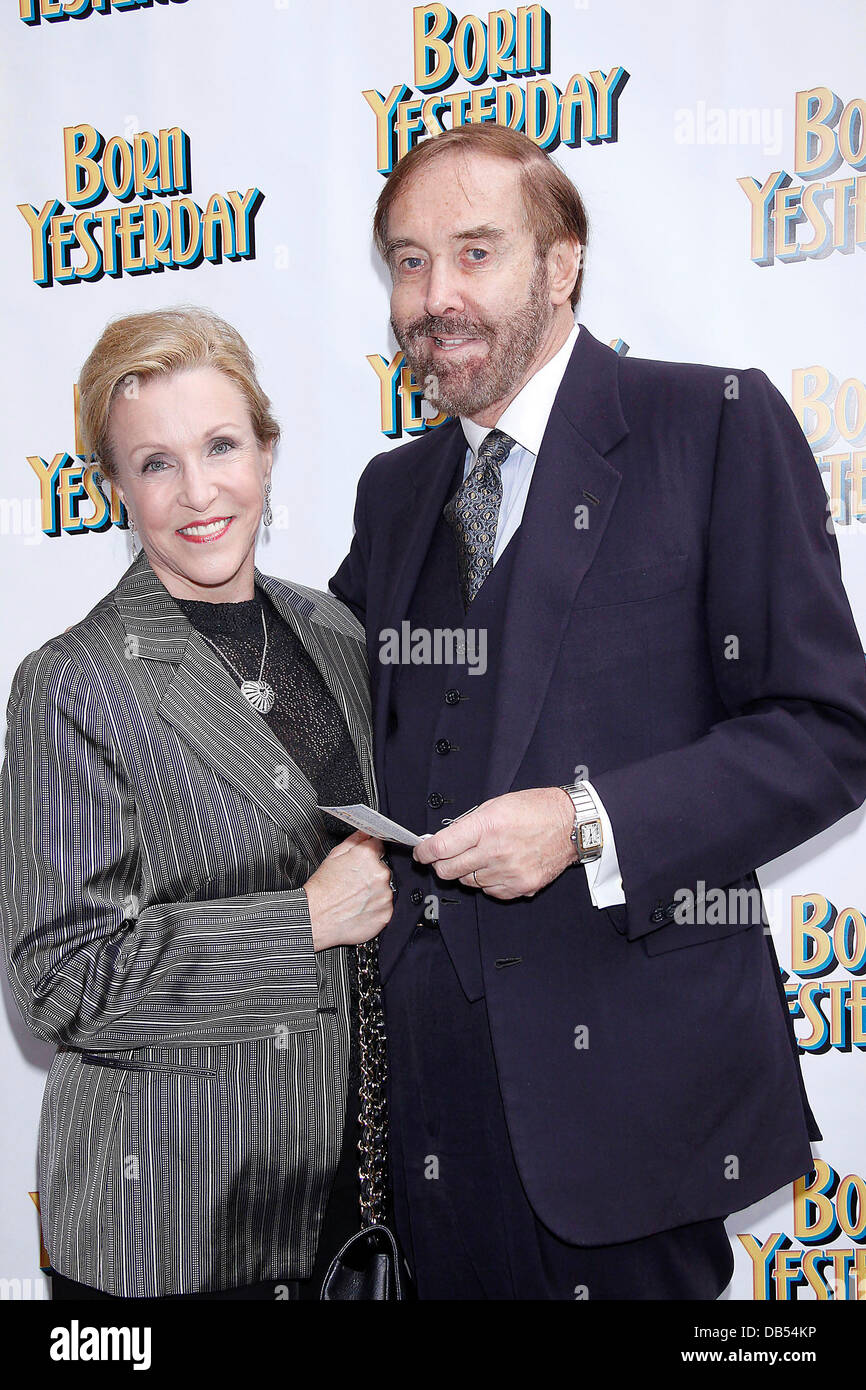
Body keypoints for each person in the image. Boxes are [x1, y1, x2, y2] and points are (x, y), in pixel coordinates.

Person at [329, 123, 866, 1300]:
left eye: (475, 252)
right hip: (423, 1107)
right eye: (409, 263)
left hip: (624, 1090)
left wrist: (583, 822)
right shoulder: (393, 491)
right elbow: (335, 724)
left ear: (561, 262)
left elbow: (826, 730)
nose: (435, 297)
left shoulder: (711, 425)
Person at [0, 306, 393, 1299]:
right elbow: (58, 980)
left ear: (266, 450)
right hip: (171, 1228)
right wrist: (301, 921)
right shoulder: (71, 682)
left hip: (342, 1205)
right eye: (155, 463)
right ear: (112, 488)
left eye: (221, 445)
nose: (198, 491)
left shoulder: (334, 631)